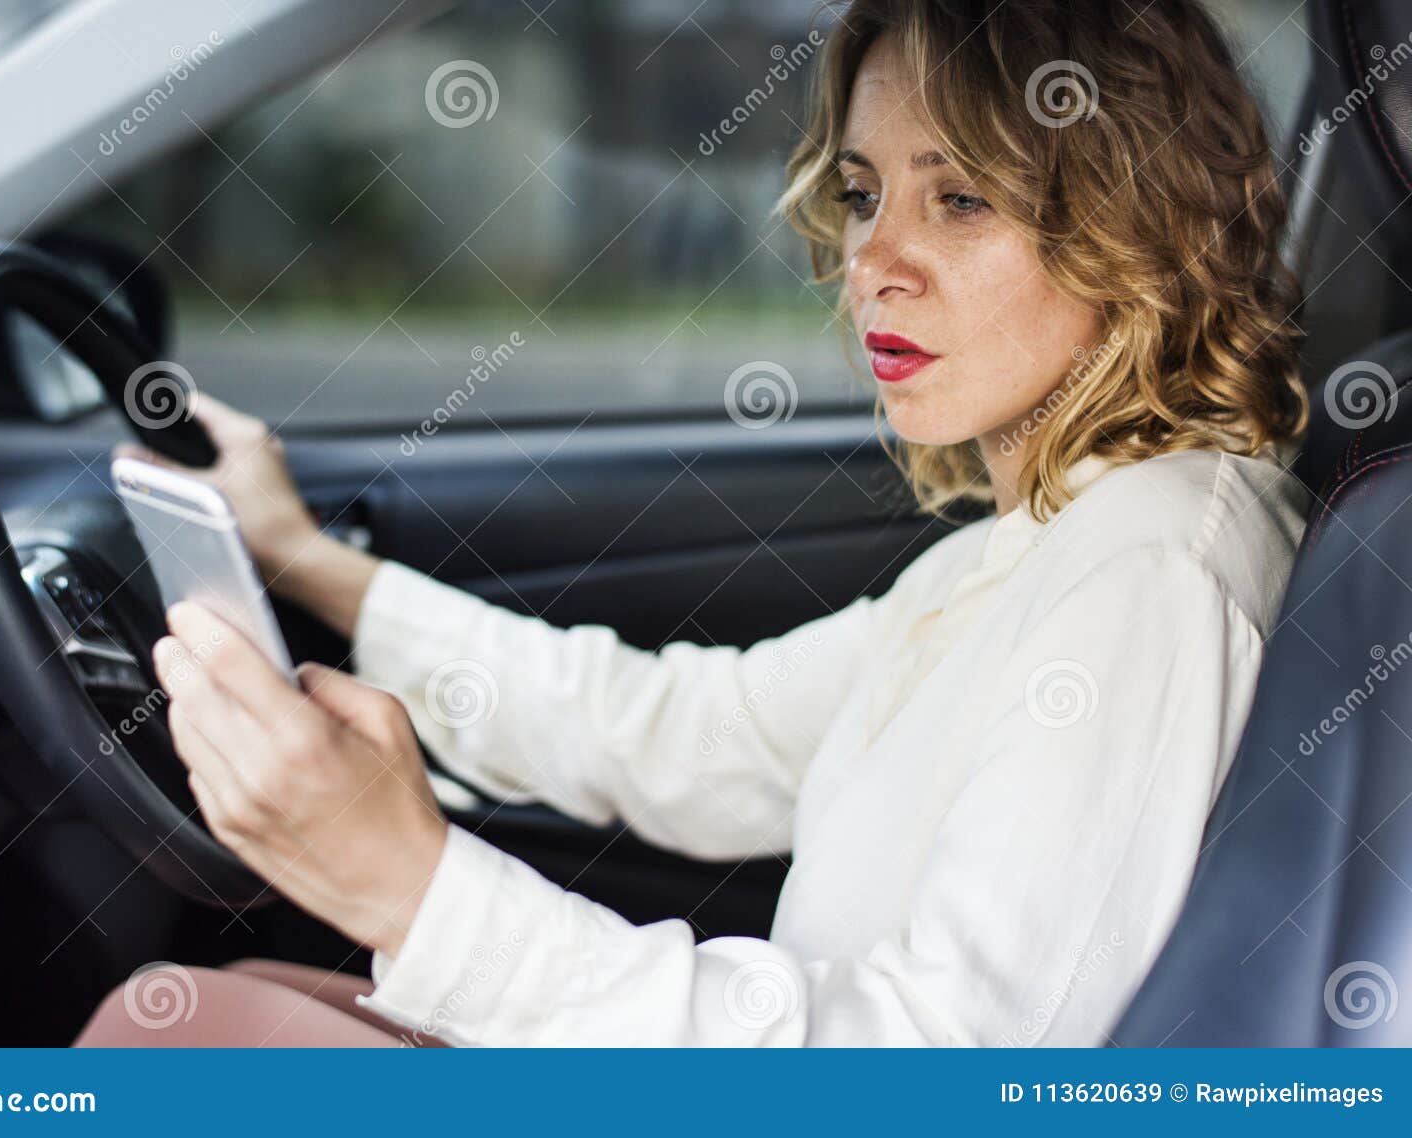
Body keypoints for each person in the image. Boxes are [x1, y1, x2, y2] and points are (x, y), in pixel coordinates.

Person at [76, 0, 1309, 1047]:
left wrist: (414, 888)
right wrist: (311, 566)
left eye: (964, 199)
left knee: (169, 1028)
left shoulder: (1151, 567)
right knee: (232, 1006)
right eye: (866, 192)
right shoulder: (1016, 554)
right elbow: (685, 731)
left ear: (1136, 225)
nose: (873, 257)